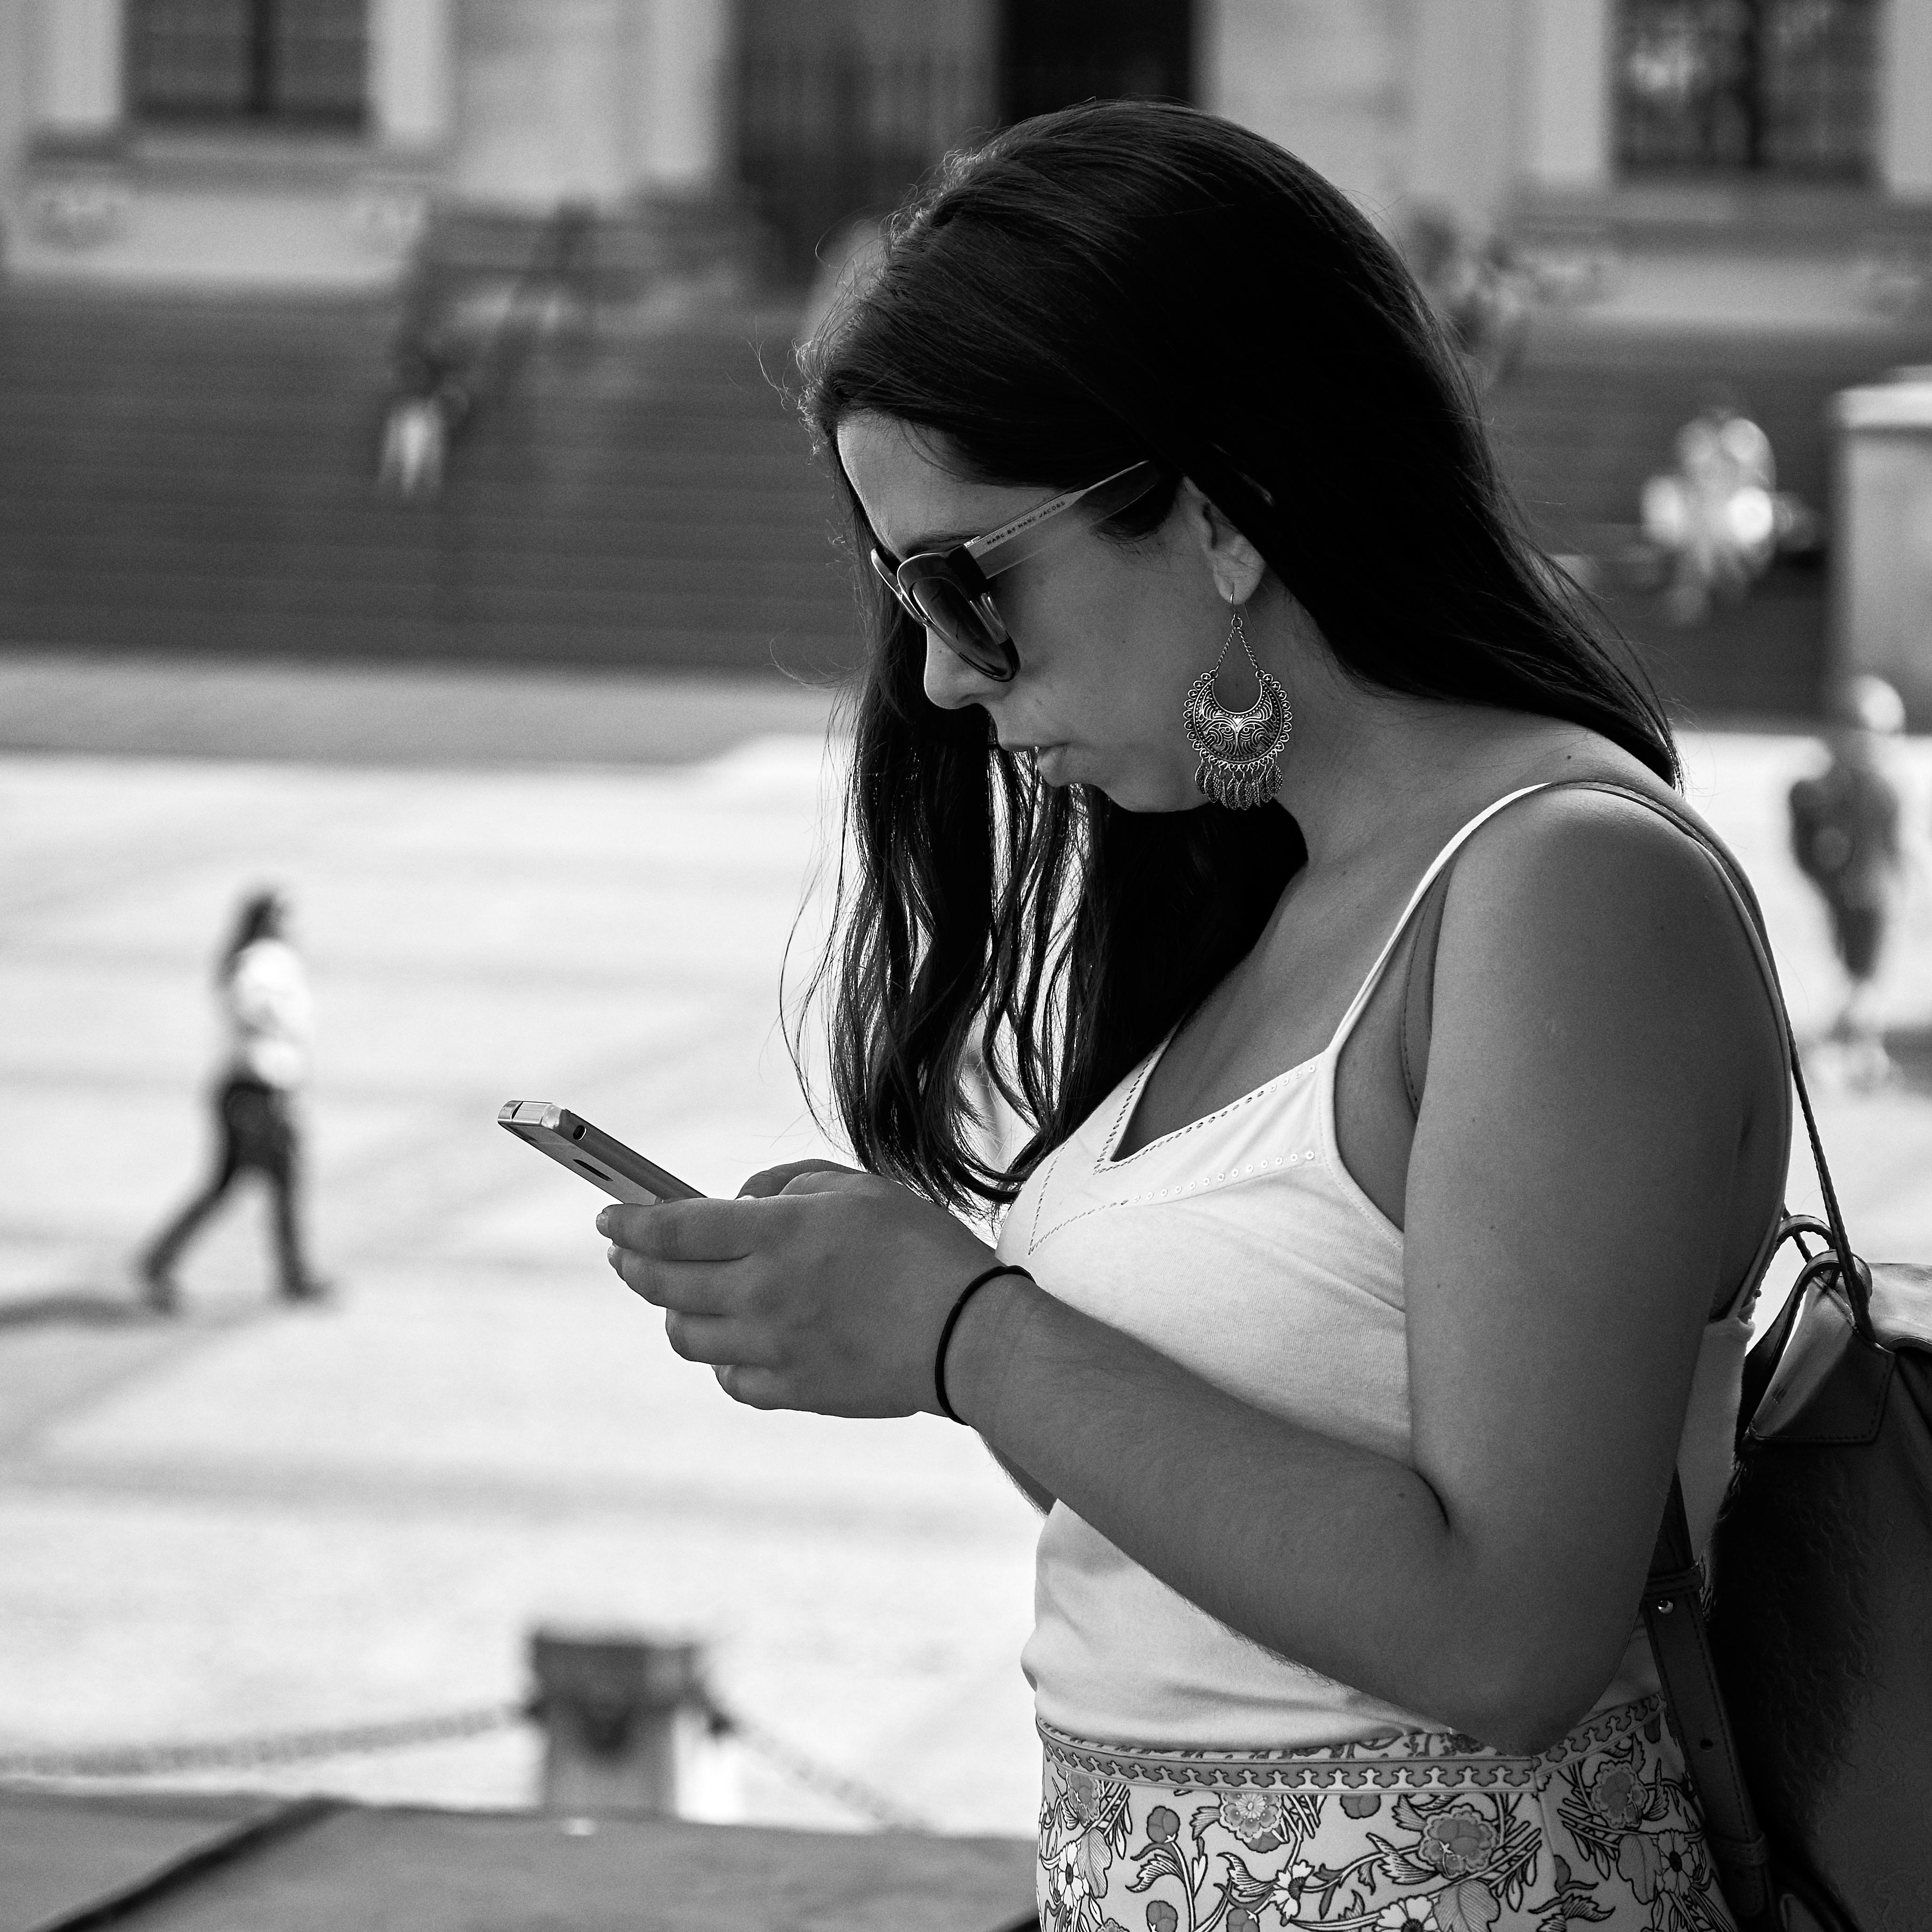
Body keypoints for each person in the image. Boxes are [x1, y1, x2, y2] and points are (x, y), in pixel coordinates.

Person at [599, 105, 1789, 1929]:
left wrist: (971, 1336)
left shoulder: (1565, 889)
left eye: (962, 580)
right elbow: (1210, 1526)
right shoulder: (1274, 880)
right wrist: (889, 1296)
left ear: (1219, 509)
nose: (932, 670)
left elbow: (1504, 1632)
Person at [141, 889, 327, 1311]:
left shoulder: (255, 958)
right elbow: (254, 1004)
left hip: (252, 1090)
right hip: (256, 1093)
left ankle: (161, 1260)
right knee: (256, 1184)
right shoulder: (264, 960)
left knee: (248, 1185)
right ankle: (293, 1276)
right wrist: (278, 1016)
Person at [1789, 674, 1907, 1089]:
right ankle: (1838, 1048)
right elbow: (1808, 850)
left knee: (1864, 979)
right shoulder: (1816, 791)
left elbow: (1894, 846)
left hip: (1875, 897)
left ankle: (1861, 1051)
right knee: (1857, 978)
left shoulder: (1884, 792)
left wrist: (1903, 880)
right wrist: (1828, 879)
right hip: (1846, 898)